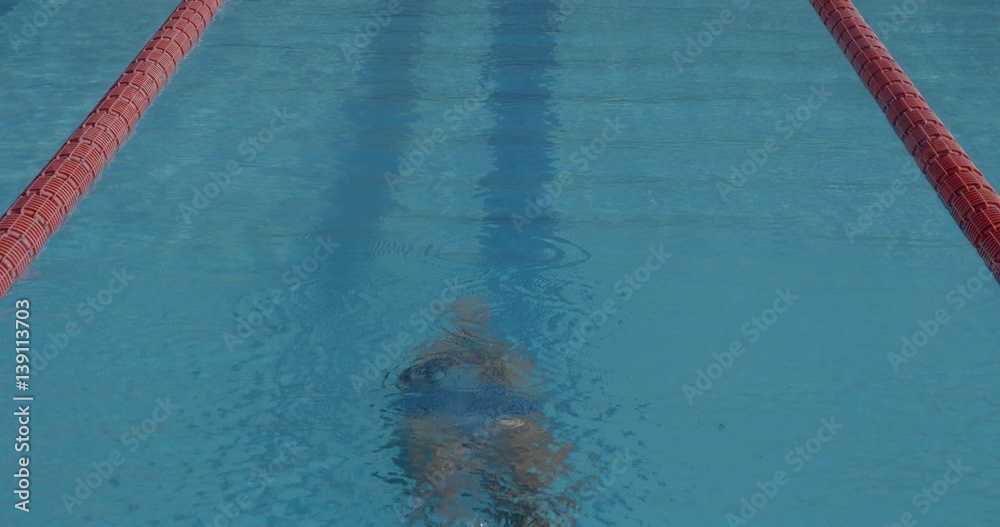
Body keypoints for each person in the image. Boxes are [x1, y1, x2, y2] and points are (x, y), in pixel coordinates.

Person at [388, 297, 577, 526]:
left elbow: (405, 386)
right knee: (526, 486)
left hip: (438, 418)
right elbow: (533, 395)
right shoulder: (504, 353)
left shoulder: (429, 349)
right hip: (503, 416)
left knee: (435, 490)